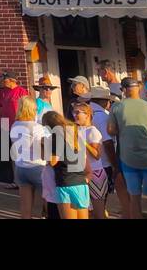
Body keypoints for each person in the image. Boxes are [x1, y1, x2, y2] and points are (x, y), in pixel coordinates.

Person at [109, 77, 147, 219]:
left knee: (134, 198)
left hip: (128, 158)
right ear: (139, 89)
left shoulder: (116, 107)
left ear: (123, 90)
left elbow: (111, 130)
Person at [41, 110, 89, 219]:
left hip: (65, 183)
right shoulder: (74, 135)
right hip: (81, 183)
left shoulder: (56, 137)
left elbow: (52, 161)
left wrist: (43, 145)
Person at [82, 86, 118, 219]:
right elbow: (108, 143)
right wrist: (115, 164)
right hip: (102, 165)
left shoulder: (86, 115)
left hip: (86, 165)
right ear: (103, 101)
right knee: (100, 203)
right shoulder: (102, 117)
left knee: (89, 204)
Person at [10, 95, 47, 219]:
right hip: (37, 166)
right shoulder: (36, 127)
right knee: (48, 202)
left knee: (25, 208)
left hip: (21, 167)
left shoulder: (15, 125)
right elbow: (42, 146)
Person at [70, 101, 105, 218]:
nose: (74, 115)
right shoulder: (76, 130)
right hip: (80, 173)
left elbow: (97, 154)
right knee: (85, 211)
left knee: (99, 212)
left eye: (77, 112)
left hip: (95, 173)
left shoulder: (92, 131)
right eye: (73, 112)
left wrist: (83, 142)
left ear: (87, 114)